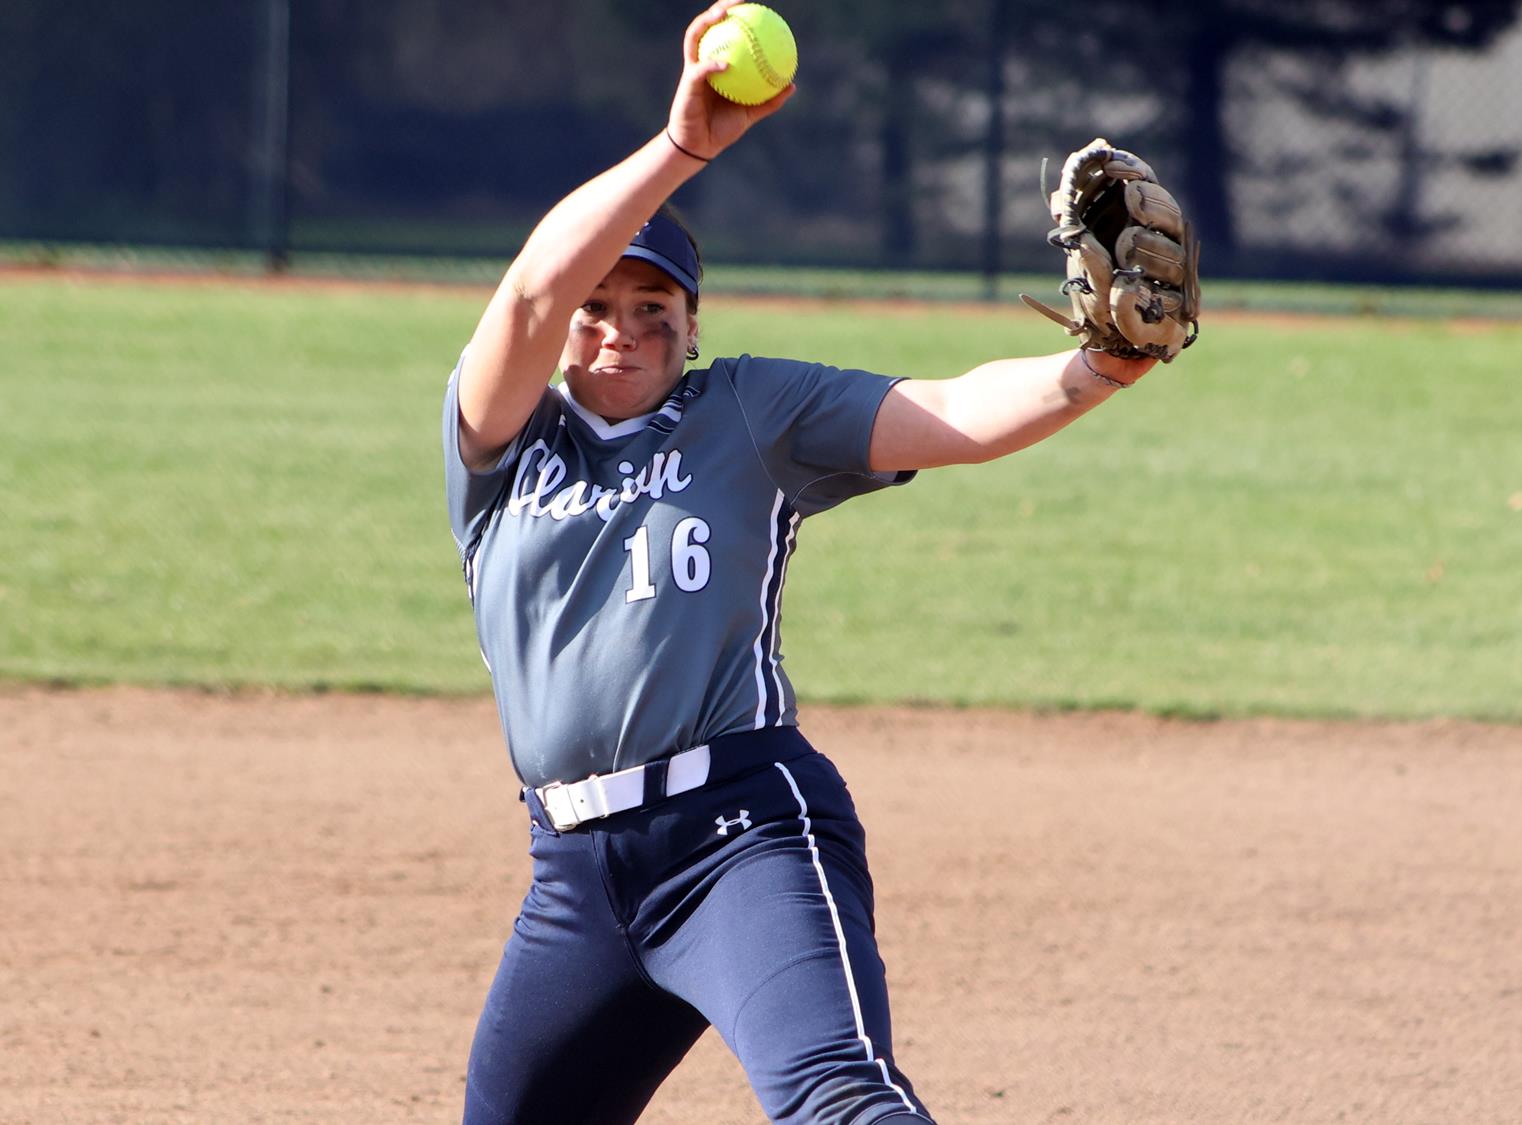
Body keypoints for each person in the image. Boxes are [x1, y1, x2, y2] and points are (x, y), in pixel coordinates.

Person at [442, 3, 1159, 1121]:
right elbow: (532, 288)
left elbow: (949, 410)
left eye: (650, 306)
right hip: (575, 878)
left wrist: (1098, 367)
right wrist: (682, 148)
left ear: (691, 325)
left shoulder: (748, 409)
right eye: (597, 307)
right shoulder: (497, 445)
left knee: (836, 1097)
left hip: (741, 834)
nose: (616, 328)